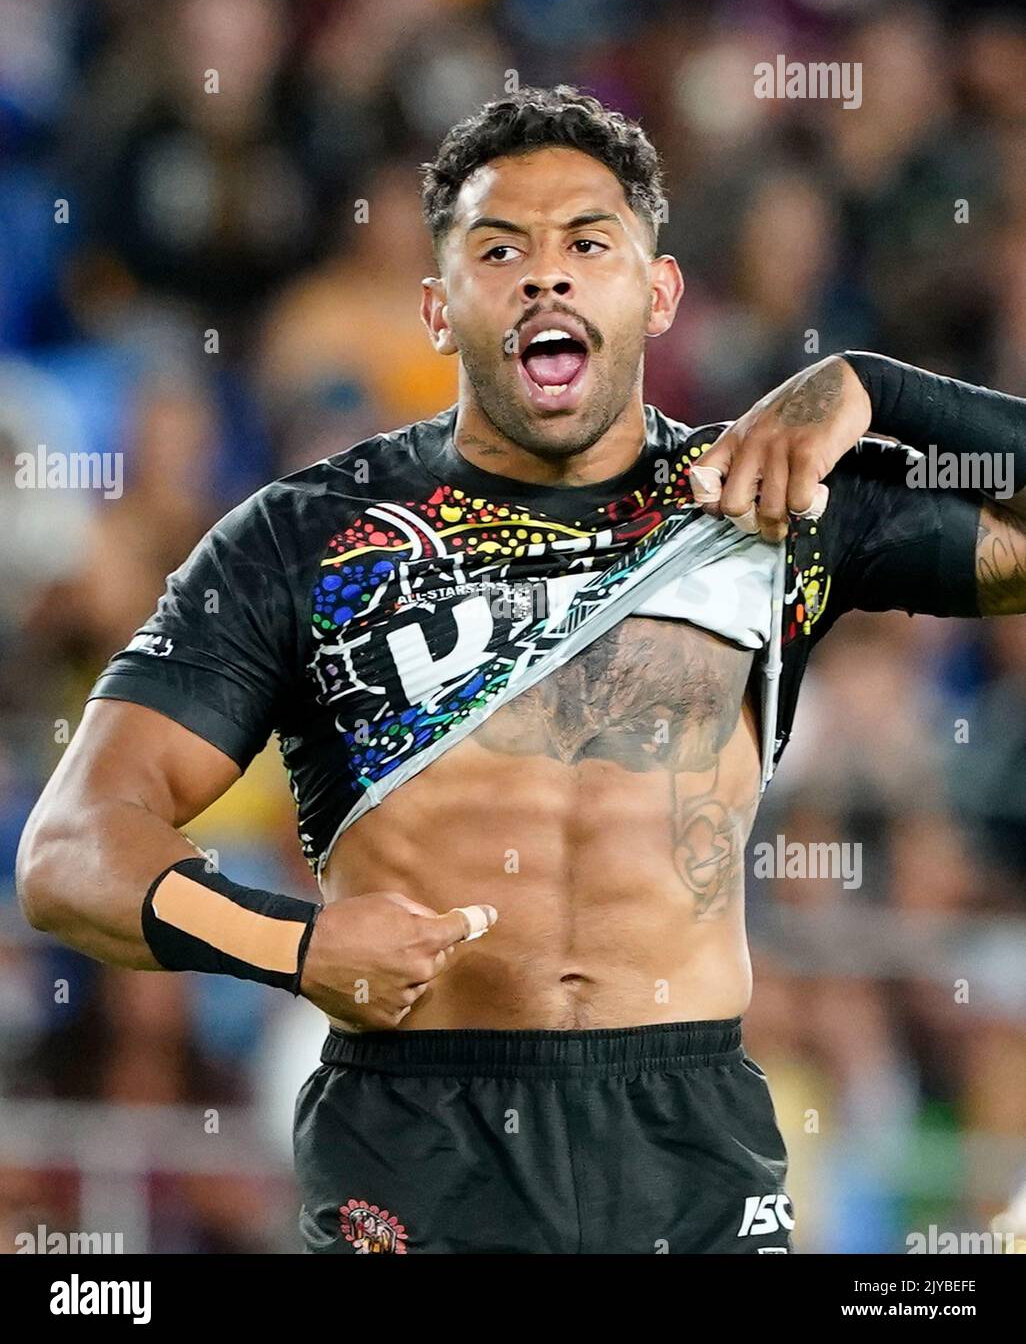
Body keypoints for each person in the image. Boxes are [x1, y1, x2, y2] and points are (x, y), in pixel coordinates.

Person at [16, 86, 1026, 1255]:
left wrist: (874, 386)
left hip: (689, 1138)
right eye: (502, 249)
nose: (547, 276)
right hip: (416, 1138)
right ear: (441, 309)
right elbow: (71, 849)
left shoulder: (766, 502)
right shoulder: (303, 538)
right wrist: (288, 944)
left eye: (589, 244)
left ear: (658, 294)